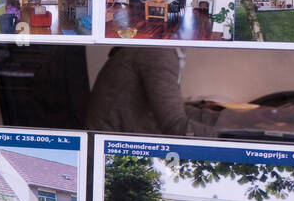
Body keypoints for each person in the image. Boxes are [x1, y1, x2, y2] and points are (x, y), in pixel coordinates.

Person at [85, 45, 218, 136]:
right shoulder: (158, 53)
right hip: (107, 150)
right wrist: (227, 136)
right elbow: (175, 125)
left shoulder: (159, 49)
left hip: (118, 139)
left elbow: (172, 108)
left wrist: (221, 118)